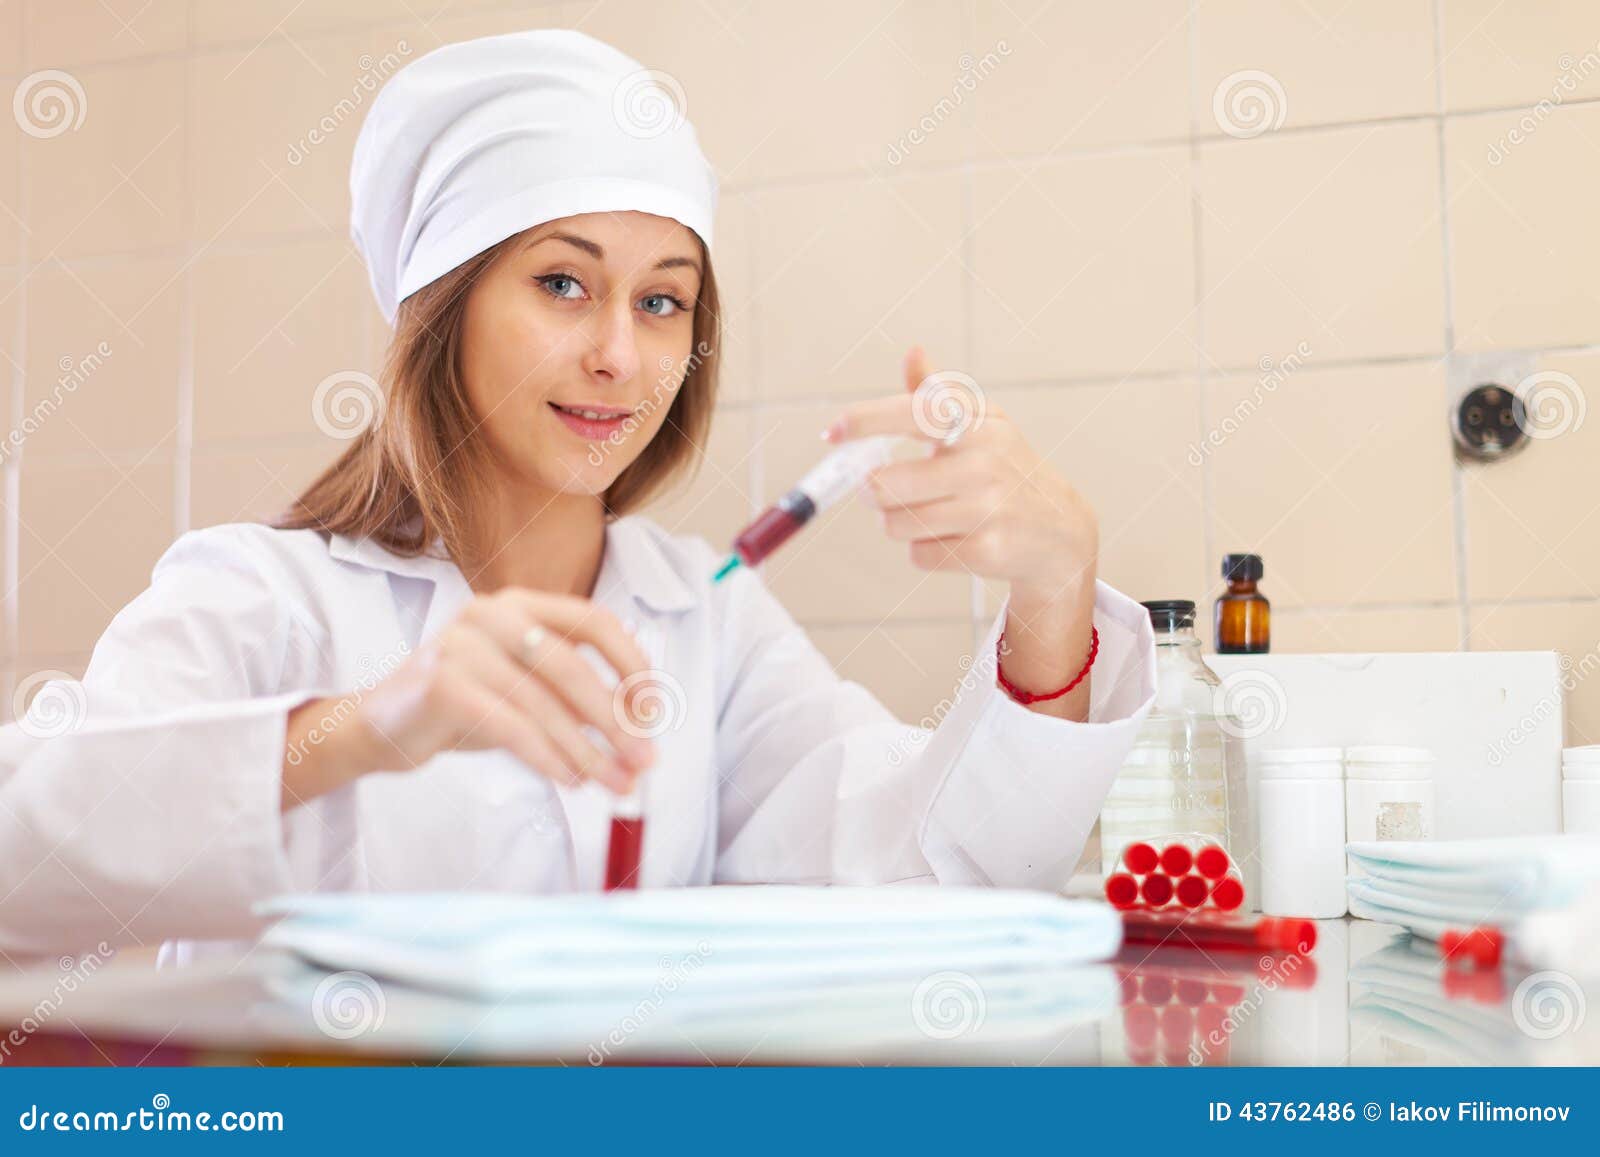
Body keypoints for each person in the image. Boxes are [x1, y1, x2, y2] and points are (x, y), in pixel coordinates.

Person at [0, 29, 1156, 959]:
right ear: (440, 310)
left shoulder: (704, 617)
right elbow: (26, 869)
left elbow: (938, 875)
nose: (621, 355)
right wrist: (372, 725)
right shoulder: (260, 592)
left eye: (663, 301)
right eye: (563, 282)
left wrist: (1052, 592)